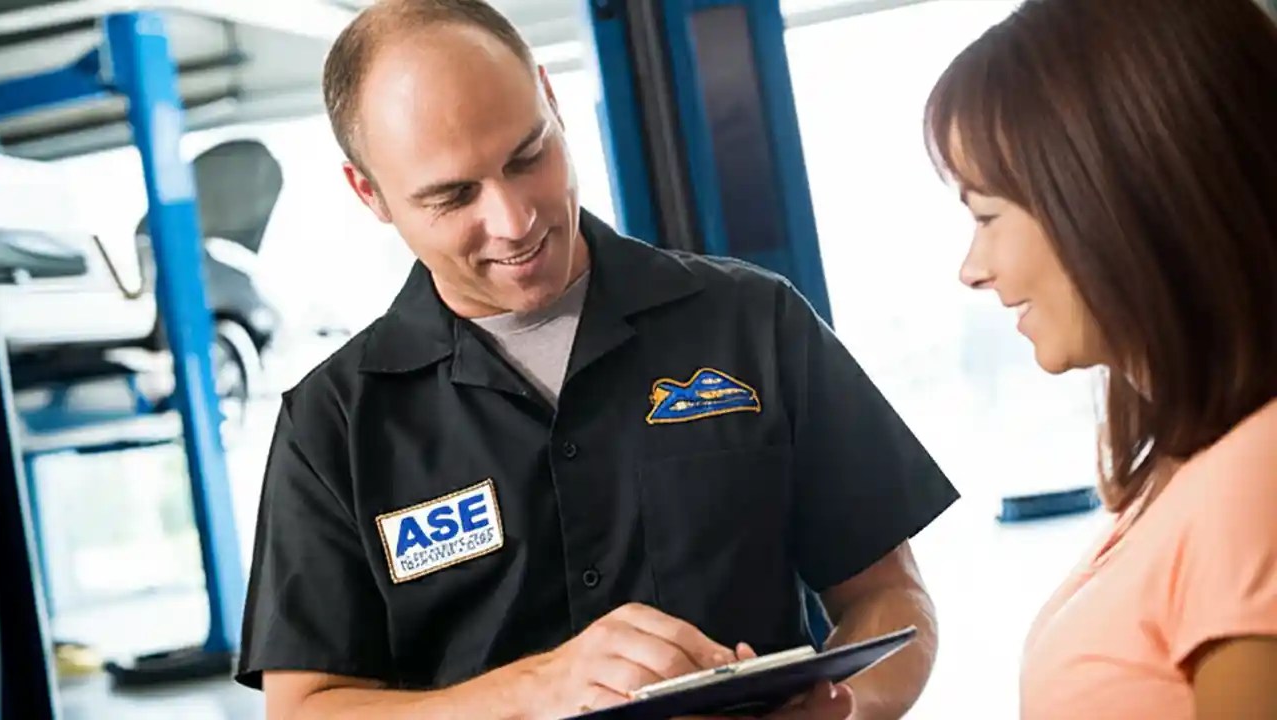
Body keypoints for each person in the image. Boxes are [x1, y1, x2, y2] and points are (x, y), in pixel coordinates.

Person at [236, 1, 959, 717]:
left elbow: (892, 601)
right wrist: (539, 689)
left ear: (552, 99)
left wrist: (848, 708)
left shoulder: (752, 325)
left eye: (528, 156)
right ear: (371, 194)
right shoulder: (332, 428)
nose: (514, 220)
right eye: (454, 196)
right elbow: (307, 711)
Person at [924, 0, 1277, 717]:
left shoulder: (1254, 478)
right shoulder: (1185, 477)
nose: (972, 268)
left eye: (986, 216)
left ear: (1121, 197)